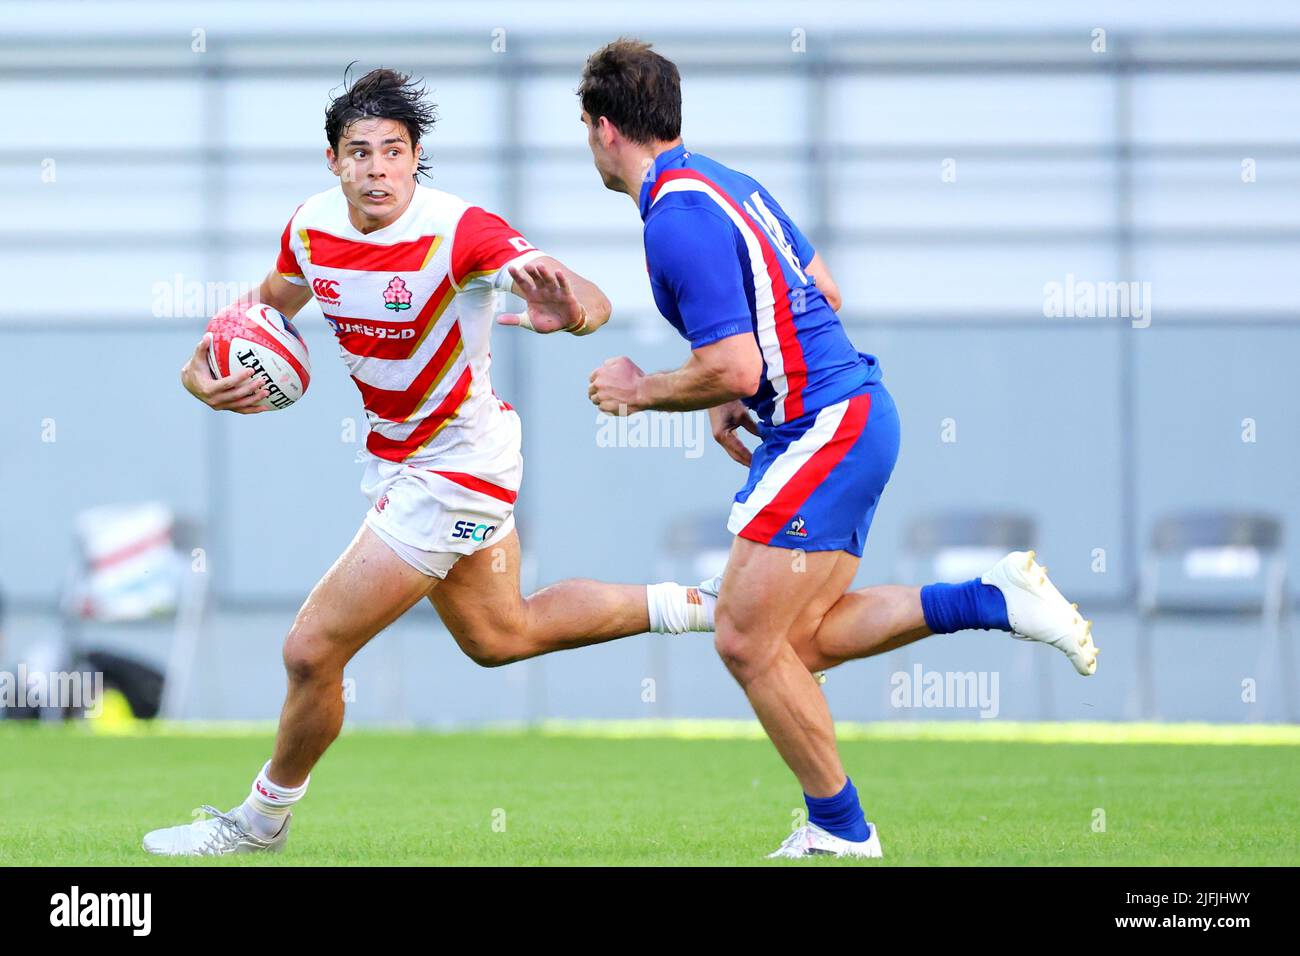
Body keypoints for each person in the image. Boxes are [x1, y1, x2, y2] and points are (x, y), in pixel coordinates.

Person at [142, 67, 713, 856]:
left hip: (459, 466)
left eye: (394, 152)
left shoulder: (461, 231)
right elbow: (265, 308)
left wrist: (572, 310)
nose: (377, 168)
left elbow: (589, 297)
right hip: (405, 460)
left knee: (310, 650)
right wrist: (199, 368)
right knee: (500, 635)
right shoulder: (311, 228)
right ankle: (708, 603)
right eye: (359, 152)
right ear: (333, 162)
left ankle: (259, 822)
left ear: (416, 160)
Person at [577, 39, 1099, 858]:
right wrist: (733, 391)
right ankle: (991, 600)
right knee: (798, 640)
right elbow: (823, 290)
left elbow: (740, 357)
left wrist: (644, 389)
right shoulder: (727, 183)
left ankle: (841, 829)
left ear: (604, 129)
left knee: (747, 641)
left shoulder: (674, 221)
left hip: (828, 424)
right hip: (846, 416)